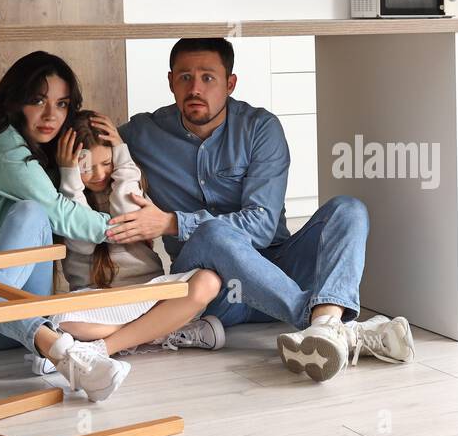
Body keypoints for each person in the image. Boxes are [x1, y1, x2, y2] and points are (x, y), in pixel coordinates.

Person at [106, 37, 415, 382]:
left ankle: (324, 325)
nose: (195, 88)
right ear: (170, 82)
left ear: (230, 83)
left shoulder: (259, 128)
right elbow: (91, 149)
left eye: (208, 78)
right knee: (212, 233)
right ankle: (327, 325)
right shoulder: (144, 133)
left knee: (349, 209)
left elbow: (262, 226)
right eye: (184, 78)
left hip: (281, 267)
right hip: (216, 291)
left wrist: (171, 223)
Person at [0, 52, 161, 403]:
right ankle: (60, 353)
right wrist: (128, 227)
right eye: (37, 101)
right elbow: (61, 214)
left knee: (31, 213)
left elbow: (52, 213)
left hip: (5, 331)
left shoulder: (38, 154)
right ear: (14, 102)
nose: (51, 115)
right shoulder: (0, 146)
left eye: (61, 104)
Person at [25, 109, 224, 389]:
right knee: (60, 320)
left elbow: (125, 220)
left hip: (146, 291)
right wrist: (70, 179)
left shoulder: (129, 187)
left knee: (208, 281)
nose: (98, 174)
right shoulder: (62, 201)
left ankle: (97, 348)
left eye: (107, 162)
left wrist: (123, 156)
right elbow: (84, 240)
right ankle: (164, 331)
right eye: (85, 167)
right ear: (69, 165)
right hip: (98, 300)